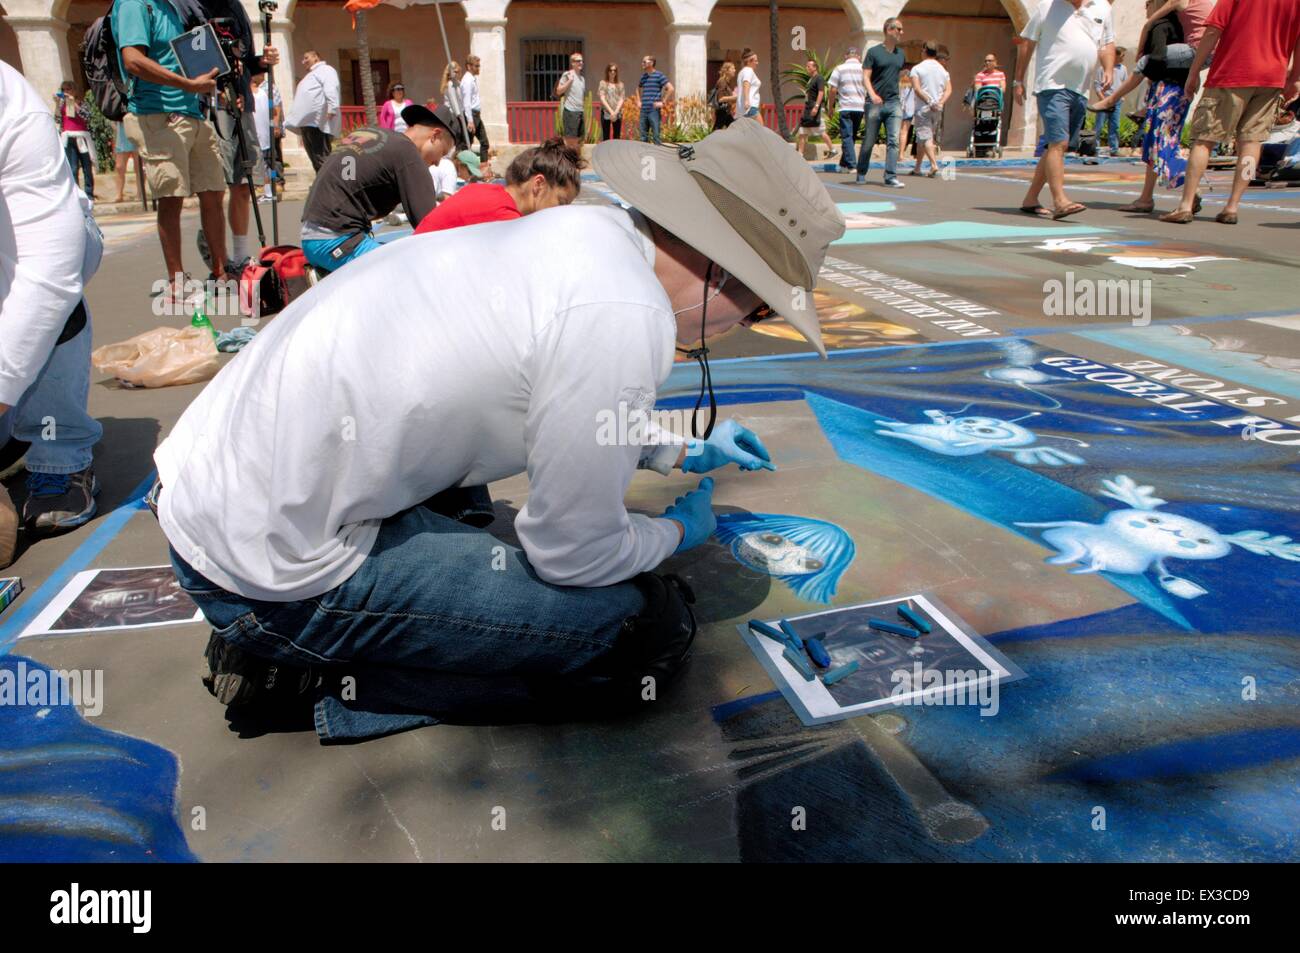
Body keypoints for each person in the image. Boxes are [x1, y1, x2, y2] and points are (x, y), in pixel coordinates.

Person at [152, 119, 845, 741]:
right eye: (758, 311)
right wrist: (676, 533)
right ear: (725, 269)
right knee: (641, 631)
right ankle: (307, 676)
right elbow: (572, 554)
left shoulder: (587, 232)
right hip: (267, 575)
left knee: (477, 503)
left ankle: (317, 638)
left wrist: (683, 446)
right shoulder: (626, 310)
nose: (741, 329)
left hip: (217, 497)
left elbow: (559, 404)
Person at [0, 62, 105, 564]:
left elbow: (49, 270)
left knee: (50, 309)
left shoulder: (8, 102)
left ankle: (58, 452)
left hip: (26, 249)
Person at [113, 0, 230, 300]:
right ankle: (177, 281)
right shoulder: (134, 5)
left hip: (192, 113)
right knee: (171, 198)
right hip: (158, 115)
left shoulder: (173, 7)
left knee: (214, 192)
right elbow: (133, 60)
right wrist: (186, 84)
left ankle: (221, 272)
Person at [1161, 0, 1300, 225]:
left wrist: (1194, 72)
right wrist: (1293, 78)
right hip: (1271, 77)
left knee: (1204, 139)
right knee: (1252, 142)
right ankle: (1232, 206)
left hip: (1233, 71)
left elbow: (1213, 30)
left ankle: (1185, 205)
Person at [299, 104, 456, 272]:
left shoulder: (373, 135)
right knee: (410, 271)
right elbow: (429, 227)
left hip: (311, 236)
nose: (439, 162)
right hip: (336, 240)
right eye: (443, 152)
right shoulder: (408, 154)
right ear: (435, 136)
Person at [1015, 0, 1116, 220]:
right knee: (1058, 143)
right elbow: (1027, 42)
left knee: (1055, 145)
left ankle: (1030, 198)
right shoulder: (1046, 6)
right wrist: (1018, 80)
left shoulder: (1102, 8)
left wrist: (1109, 68)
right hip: (1052, 85)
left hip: (1080, 88)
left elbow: (1106, 43)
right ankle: (1060, 201)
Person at [198, 0, 279, 269]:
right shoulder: (196, 7)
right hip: (213, 106)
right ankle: (214, 246)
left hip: (243, 104)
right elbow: (192, 58)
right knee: (216, 186)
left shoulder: (237, 8)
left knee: (244, 185)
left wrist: (262, 62)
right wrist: (219, 90)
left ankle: (241, 255)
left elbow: (245, 61)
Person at [1115, 1, 1195, 213]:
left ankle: (1190, 186)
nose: (1145, 8)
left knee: (1161, 143)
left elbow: (1158, 58)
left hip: (1166, 91)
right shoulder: (1180, 25)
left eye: (1148, 3)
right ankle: (1146, 197)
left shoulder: (1159, 24)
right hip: (1179, 90)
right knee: (1155, 144)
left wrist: (1148, 73)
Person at [415, 138, 582, 233]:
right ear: (538, 184)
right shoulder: (504, 221)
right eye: (561, 202)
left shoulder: (486, 192)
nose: (563, 212)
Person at [857, 18, 907, 187]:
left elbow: (894, 76)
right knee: (869, 140)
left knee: (893, 140)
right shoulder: (873, 52)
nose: (901, 32)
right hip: (875, 104)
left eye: (901, 29)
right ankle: (861, 172)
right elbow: (865, 76)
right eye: (898, 29)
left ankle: (890, 176)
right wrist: (872, 95)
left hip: (894, 103)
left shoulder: (901, 54)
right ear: (889, 30)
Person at [286, 50, 341, 173]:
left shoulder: (326, 70)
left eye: (306, 58)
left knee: (321, 156)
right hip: (307, 122)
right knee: (314, 158)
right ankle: (321, 185)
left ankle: (329, 186)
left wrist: (332, 108)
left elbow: (331, 87)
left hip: (317, 122)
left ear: (316, 57)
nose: (303, 61)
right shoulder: (312, 74)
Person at [910, 41, 951, 179]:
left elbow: (917, 88)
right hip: (938, 109)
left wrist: (929, 101)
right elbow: (948, 90)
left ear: (924, 51)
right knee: (924, 137)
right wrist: (940, 102)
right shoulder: (943, 70)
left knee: (926, 137)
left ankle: (934, 164)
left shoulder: (917, 68)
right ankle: (917, 167)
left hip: (923, 107)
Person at [54, 82, 95, 200]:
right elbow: (57, 120)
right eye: (63, 89)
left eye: (69, 89)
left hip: (82, 138)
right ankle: (76, 195)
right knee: (73, 168)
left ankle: (89, 194)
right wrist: (57, 105)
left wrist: (74, 104)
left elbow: (86, 116)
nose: (66, 91)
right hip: (69, 139)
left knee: (87, 167)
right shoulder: (62, 105)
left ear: (74, 90)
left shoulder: (82, 104)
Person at [828, 47, 867, 171]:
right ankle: (843, 164)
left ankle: (851, 165)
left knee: (847, 136)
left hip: (846, 106)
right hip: (860, 107)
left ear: (846, 56)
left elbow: (833, 89)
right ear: (858, 56)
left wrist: (830, 106)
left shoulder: (840, 68)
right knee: (852, 136)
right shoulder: (864, 69)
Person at [250, 72, 283, 205]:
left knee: (265, 166)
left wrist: (275, 126)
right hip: (264, 135)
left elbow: (275, 109)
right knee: (270, 166)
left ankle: (270, 193)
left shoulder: (262, 93)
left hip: (260, 135)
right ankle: (272, 192)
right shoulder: (263, 94)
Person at [1091, 47, 1128, 156]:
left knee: (1114, 126)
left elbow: (1125, 84)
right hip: (1105, 100)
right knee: (1099, 126)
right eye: (1122, 56)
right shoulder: (1102, 69)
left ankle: (1114, 149)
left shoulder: (1123, 69)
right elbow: (1097, 85)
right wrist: (1103, 100)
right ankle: (1095, 148)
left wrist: (1121, 96)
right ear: (1115, 56)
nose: (1123, 58)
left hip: (1117, 102)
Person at [795, 58, 835, 159]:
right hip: (808, 108)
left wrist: (816, 107)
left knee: (820, 131)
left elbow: (821, 92)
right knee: (803, 131)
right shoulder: (811, 79)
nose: (807, 68)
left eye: (809, 66)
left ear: (815, 67)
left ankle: (832, 150)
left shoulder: (819, 78)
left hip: (814, 108)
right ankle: (800, 155)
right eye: (807, 66)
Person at [637, 55, 673, 144]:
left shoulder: (659, 75)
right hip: (643, 110)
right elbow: (638, 88)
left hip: (654, 110)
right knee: (643, 137)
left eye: (644, 62)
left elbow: (671, 88)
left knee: (656, 136)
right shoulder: (643, 77)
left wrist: (663, 102)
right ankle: (644, 157)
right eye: (642, 62)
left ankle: (657, 157)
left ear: (651, 63)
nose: (642, 64)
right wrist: (638, 101)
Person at [555, 52, 587, 151]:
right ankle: (568, 162)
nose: (581, 62)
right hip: (570, 111)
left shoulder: (582, 79)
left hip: (580, 111)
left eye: (582, 60)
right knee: (569, 140)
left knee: (578, 140)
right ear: (572, 63)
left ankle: (575, 161)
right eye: (578, 61)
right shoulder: (567, 74)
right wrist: (569, 81)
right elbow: (559, 91)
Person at [461, 55, 489, 161]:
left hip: (476, 115)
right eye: (476, 66)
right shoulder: (467, 81)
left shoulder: (472, 79)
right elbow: (466, 102)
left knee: (484, 143)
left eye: (479, 66)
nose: (478, 68)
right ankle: (465, 168)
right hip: (472, 115)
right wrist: (470, 120)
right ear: (469, 66)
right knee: (467, 145)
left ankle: (483, 166)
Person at [113, 118, 143, 204]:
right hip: (122, 131)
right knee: (119, 167)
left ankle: (140, 193)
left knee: (139, 167)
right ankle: (119, 194)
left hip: (137, 128)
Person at [599, 63, 626, 141]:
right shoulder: (603, 83)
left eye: (614, 70)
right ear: (607, 72)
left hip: (617, 112)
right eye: (611, 70)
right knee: (606, 136)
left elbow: (621, 98)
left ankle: (615, 153)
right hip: (606, 112)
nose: (613, 72)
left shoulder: (620, 84)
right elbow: (602, 98)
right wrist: (611, 112)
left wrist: (616, 112)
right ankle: (606, 153)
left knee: (616, 136)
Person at [735, 49, 762, 120]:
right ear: (749, 61)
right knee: (760, 129)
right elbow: (746, 84)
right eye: (755, 61)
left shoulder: (742, 72)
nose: (757, 63)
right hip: (750, 107)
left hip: (742, 109)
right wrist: (747, 100)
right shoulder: (748, 71)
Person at [712, 61, 737, 131]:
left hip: (726, 112)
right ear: (727, 71)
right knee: (716, 131)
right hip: (722, 111)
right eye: (733, 68)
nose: (735, 70)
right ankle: (709, 141)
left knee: (734, 128)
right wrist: (735, 97)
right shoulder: (722, 82)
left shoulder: (727, 82)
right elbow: (720, 99)